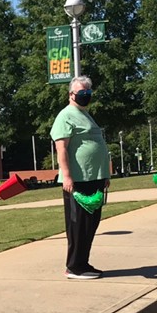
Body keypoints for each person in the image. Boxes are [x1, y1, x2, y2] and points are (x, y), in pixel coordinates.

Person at [50, 76, 112, 280]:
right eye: (81, 93)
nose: (85, 96)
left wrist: (105, 174)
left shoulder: (86, 115)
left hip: (94, 178)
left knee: (91, 223)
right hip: (78, 180)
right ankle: (74, 267)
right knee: (79, 225)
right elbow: (61, 149)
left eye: (88, 93)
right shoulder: (65, 116)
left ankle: (83, 263)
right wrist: (67, 176)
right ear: (71, 94)